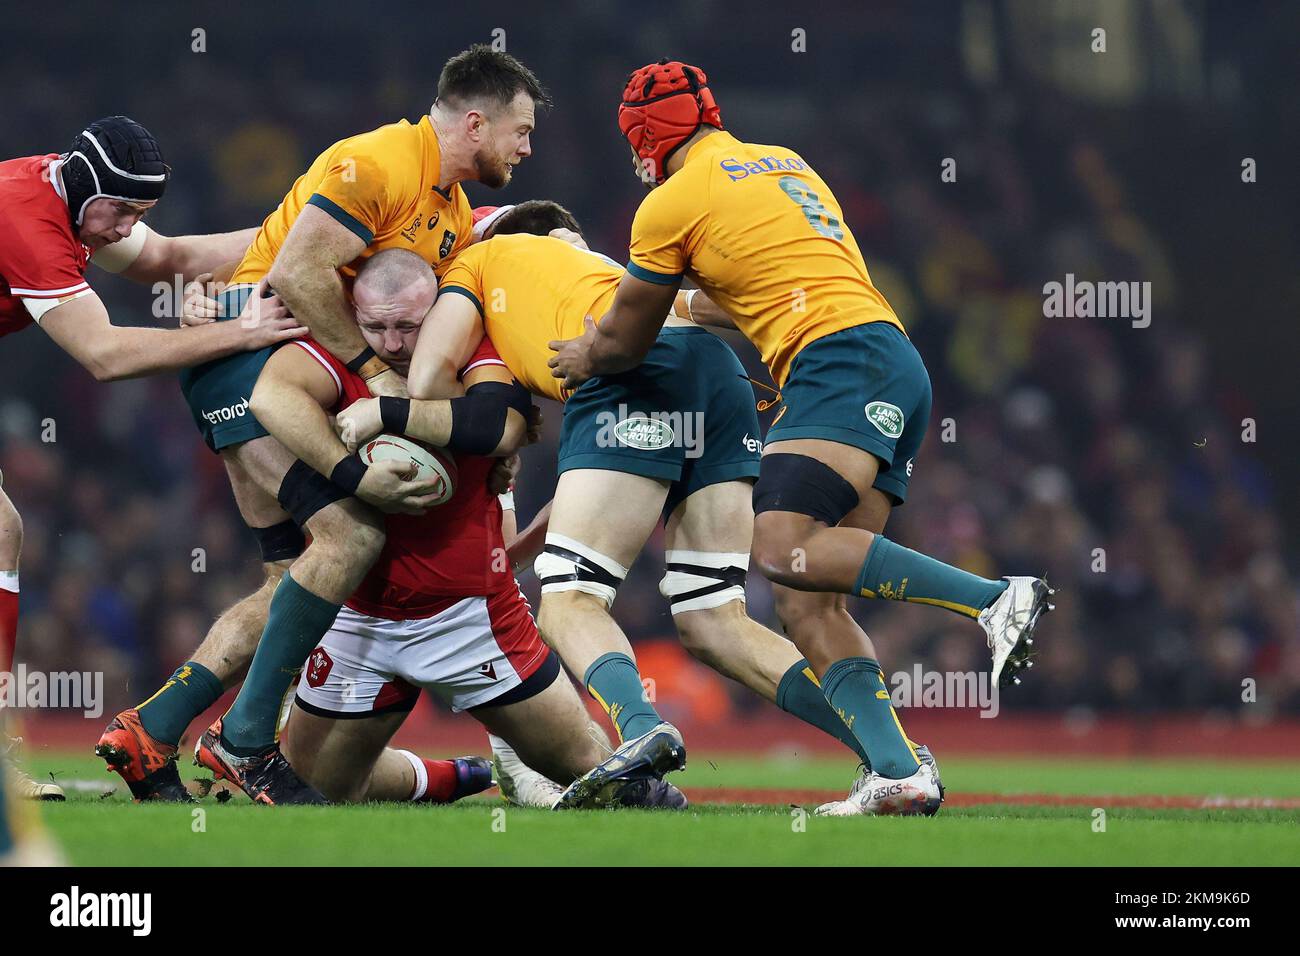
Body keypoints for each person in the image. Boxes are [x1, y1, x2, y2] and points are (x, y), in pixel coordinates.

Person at [548, 60, 1054, 816]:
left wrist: (581, 355)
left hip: (836, 363)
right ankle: (897, 769)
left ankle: (994, 599)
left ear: (649, 136)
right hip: (891, 359)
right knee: (808, 602)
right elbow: (757, 290)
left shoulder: (669, 203)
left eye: (633, 140)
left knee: (783, 542)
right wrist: (686, 304)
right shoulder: (786, 164)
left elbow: (624, 340)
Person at [97, 46, 550, 804]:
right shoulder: (377, 161)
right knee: (355, 537)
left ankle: (152, 730)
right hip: (252, 362)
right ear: (477, 121)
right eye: (522, 130)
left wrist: (491, 438)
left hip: (280, 366)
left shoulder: (452, 212)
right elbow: (298, 274)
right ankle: (244, 743)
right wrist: (372, 377)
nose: (527, 148)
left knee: (292, 577)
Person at [225, 249, 681, 809]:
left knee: (602, 780)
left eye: (407, 327)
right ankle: (449, 778)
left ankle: (645, 790)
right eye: (375, 326)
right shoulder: (336, 350)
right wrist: (356, 477)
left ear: (438, 308)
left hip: (470, 615)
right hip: (358, 620)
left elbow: (501, 427)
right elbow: (268, 396)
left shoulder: (476, 348)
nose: (391, 343)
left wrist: (388, 414)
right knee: (318, 791)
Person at [0, 115, 303, 800]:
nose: (123, 226)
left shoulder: (75, 197)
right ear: (87, 189)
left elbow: (171, 258)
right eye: (123, 211)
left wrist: (307, 232)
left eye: (138, 211)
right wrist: (238, 330)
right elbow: (106, 356)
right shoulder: (28, 220)